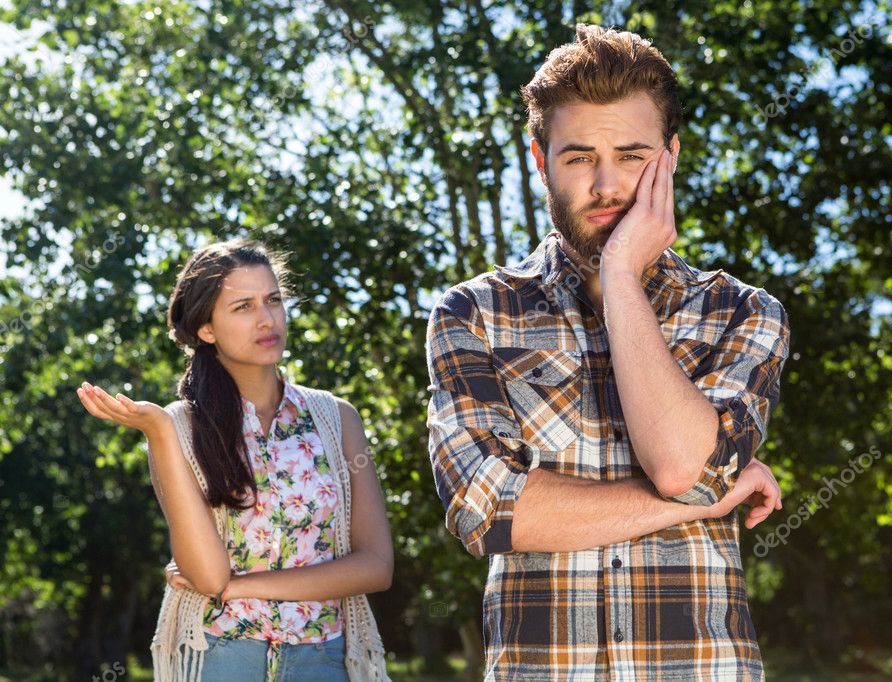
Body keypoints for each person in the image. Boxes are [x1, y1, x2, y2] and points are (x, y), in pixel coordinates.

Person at [425, 24, 791, 680]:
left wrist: (621, 274)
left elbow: (684, 468)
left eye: (631, 156)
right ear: (539, 161)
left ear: (669, 157)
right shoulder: (472, 313)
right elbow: (484, 510)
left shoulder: (741, 312)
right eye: (577, 158)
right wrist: (712, 498)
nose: (605, 184)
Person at [76, 239, 392, 681]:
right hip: (221, 657)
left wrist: (244, 586)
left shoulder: (337, 419)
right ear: (206, 328)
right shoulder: (179, 428)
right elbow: (207, 578)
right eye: (243, 306)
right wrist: (160, 432)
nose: (267, 319)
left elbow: (376, 565)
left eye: (274, 300)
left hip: (323, 659)